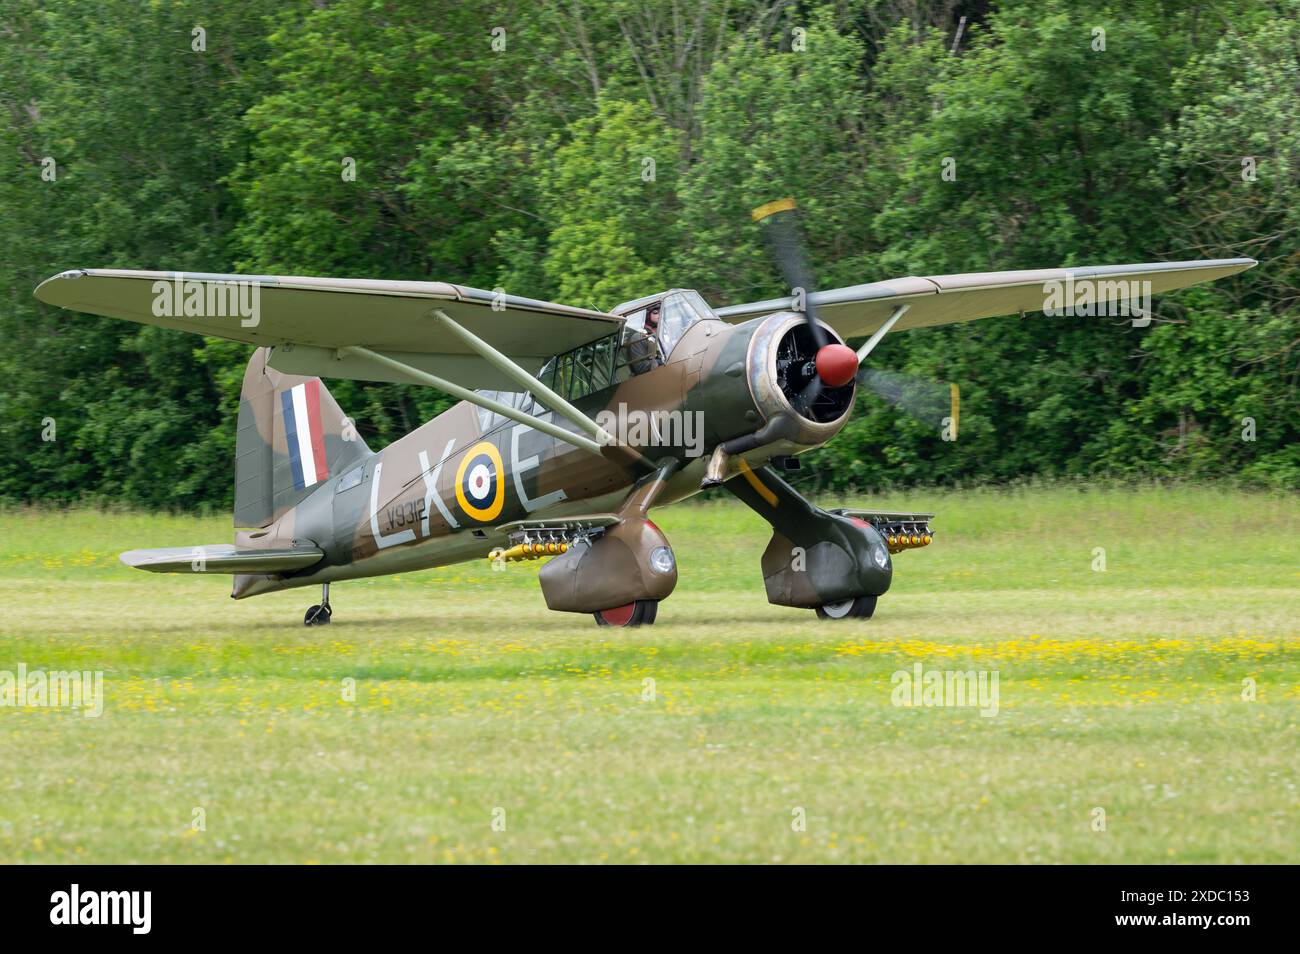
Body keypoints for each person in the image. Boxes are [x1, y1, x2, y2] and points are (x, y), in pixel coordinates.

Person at [626, 301, 662, 375]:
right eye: (655, 312)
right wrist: (660, 361)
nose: (659, 314)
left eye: (660, 311)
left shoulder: (661, 332)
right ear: (647, 315)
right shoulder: (639, 337)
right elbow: (640, 367)